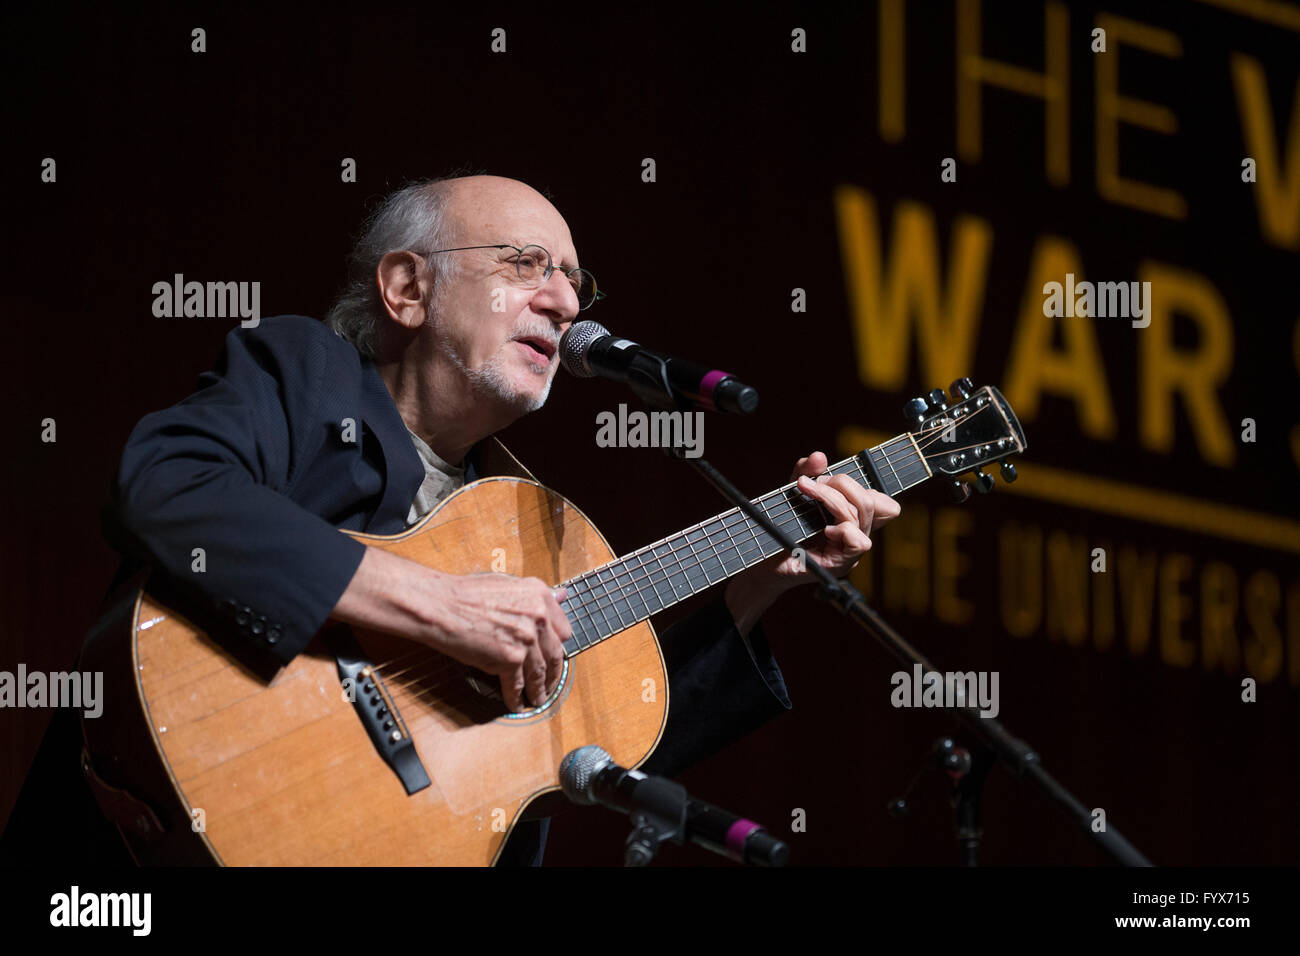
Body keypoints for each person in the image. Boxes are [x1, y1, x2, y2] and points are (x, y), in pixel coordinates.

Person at [3, 174, 899, 866]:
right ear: (405, 289)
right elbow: (165, 487)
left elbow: (610, 745)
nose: (566, 301)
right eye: (525, 264)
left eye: (575, 279)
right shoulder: (307, 376)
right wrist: (437, 607)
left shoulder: (521, 520)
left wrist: (759, 582)